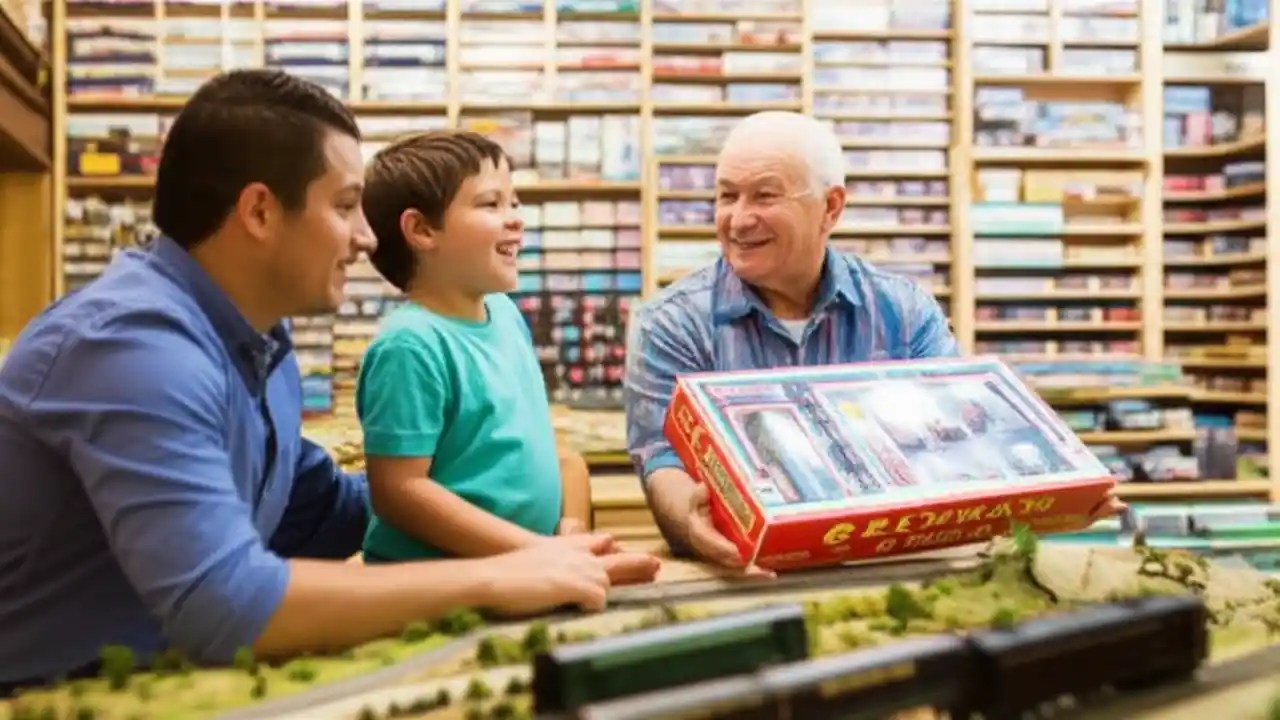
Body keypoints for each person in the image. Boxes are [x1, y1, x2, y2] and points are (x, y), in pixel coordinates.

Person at [0, 69, 656, 695]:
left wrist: (512, 499)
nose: (368, 238)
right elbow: (223, 603)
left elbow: (315, 509)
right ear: (259, 211)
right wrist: (497, 575)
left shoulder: (259, 346)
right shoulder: (132, 348)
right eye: (346, 206)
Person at [623, 111, 1125, 569]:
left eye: (765, 195)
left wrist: (1048, 499)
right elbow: (661, 459)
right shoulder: (671, 324)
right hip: (747, 581)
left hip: (894, 573)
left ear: (831, 207)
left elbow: (963, 442)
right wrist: (687, 519)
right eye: (727, 195)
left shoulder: (904, 313)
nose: (738, 218)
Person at [354, 129, 625, 563]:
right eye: (490, 204)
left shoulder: (504, 315)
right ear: (422, 230)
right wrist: (539, 552)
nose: (516, 218)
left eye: (513, 201)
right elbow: (399, 492)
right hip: (438, 589)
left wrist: (569, 533)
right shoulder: (409, 345)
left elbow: (543, 453)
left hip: (526, 571)